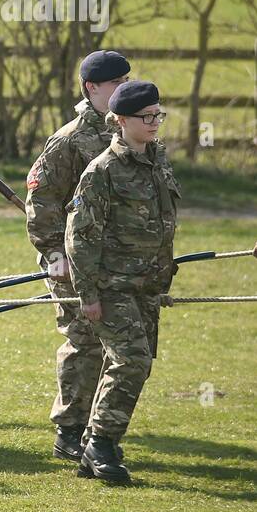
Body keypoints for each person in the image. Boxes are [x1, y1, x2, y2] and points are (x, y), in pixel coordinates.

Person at [65, 80, 178, 483]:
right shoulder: (103, 171)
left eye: (158, 115)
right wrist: (88, 295)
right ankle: (101, 444)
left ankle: (94, 446)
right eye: (146, 117)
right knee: (132, 360)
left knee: (134, 365)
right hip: (111, 287)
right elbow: (80, 237)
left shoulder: (158, 161)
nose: (154, 123)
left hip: (147, 287)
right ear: (121, 120)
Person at [25, 50, 131, 462]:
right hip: (70, 261)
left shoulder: (127, 134)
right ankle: (69, 429)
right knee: (82, 343)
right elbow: (41, 204)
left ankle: (98, 430)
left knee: (117, 349)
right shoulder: (69, 139)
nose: (124, 89)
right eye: (116, 84)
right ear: (92, 88)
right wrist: (56, 257)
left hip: (117, 264)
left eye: (127, 81)